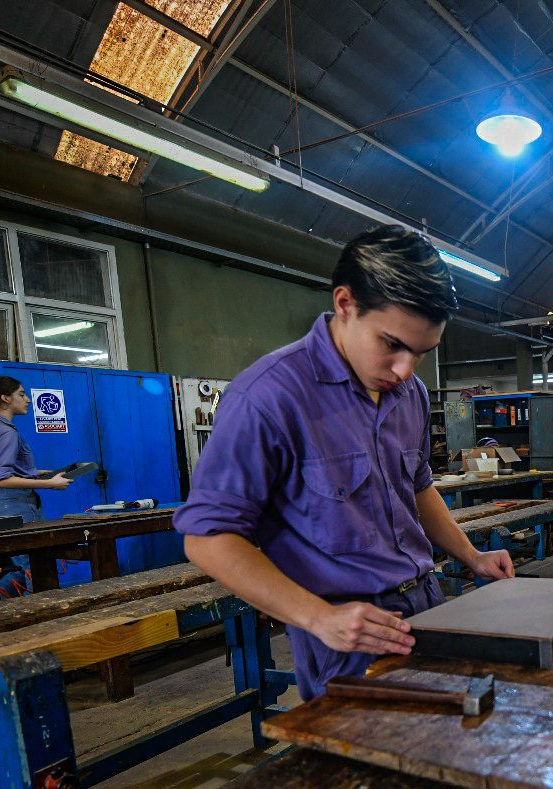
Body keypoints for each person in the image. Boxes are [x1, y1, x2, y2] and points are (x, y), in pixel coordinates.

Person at [174, 225, 514, 701]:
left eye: (422, 354)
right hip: (348, 634)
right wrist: (319, 618)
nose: (405, 370)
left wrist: (471, 555)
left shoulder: (409, 394)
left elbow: (417, 489)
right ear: (345, 304)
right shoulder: (268, 397)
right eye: (392, 344)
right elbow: (208, 538)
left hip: (428, 605)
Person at [0, 376, 73, 596]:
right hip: (13, 503)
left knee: (20, 566)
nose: (27, 400)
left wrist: (34, 473)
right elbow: (1, 478)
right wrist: (50, 484)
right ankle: (46, 617)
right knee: (35, 565)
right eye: (21, 394)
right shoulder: (7, 432)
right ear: (5, 398)